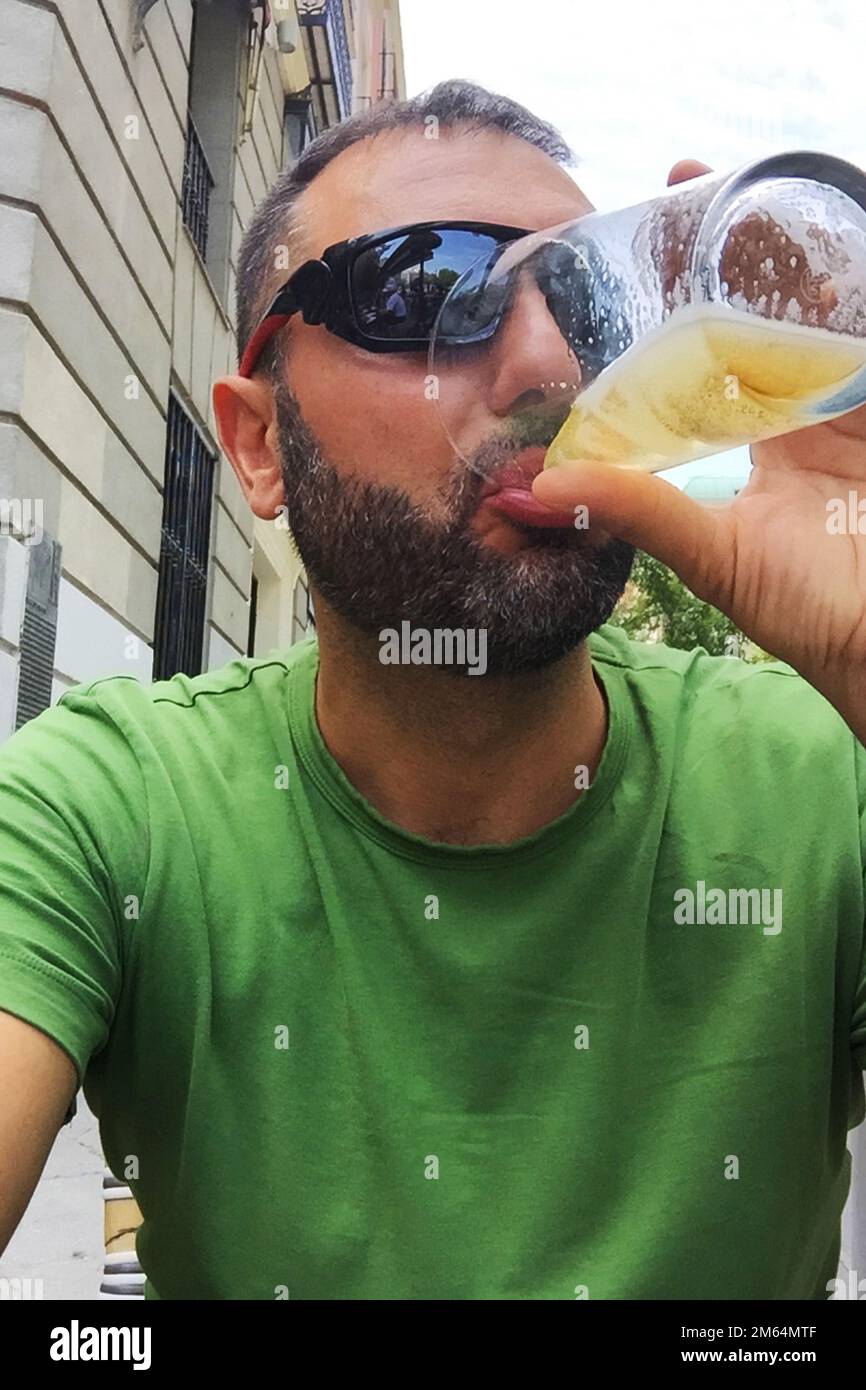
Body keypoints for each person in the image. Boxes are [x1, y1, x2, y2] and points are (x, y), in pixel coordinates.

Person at [1, 79, 864, 1302]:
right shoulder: (113, 810)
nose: (549, 364)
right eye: (423, 290)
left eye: (578, 297)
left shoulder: (819, 778)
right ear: (255, 442)